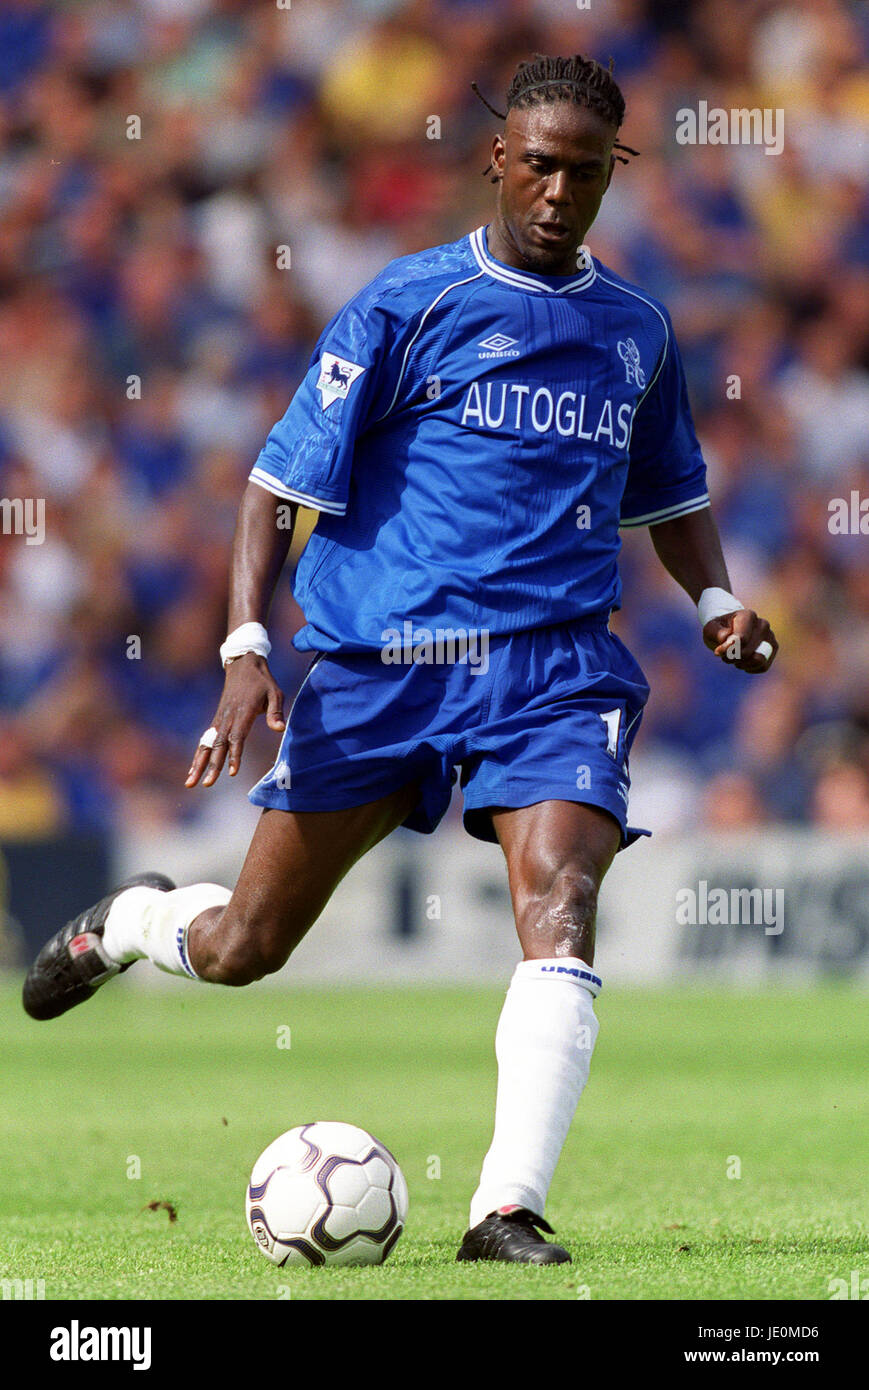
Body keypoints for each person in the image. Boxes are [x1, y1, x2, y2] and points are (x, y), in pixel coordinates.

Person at [23, 54, 778, 1265]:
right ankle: (130, 927)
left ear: (612, 175)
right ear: (495, 157)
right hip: (385, 663)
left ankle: (504, 1208)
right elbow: (273, 489)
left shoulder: (635, 331)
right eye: (537, 164)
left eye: (583, 173)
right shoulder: (406, 302)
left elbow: (670, 494)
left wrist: (716, 603)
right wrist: (244, 647)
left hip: (555, 668)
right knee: (244, 950)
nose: (556, 191)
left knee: (562, 903)